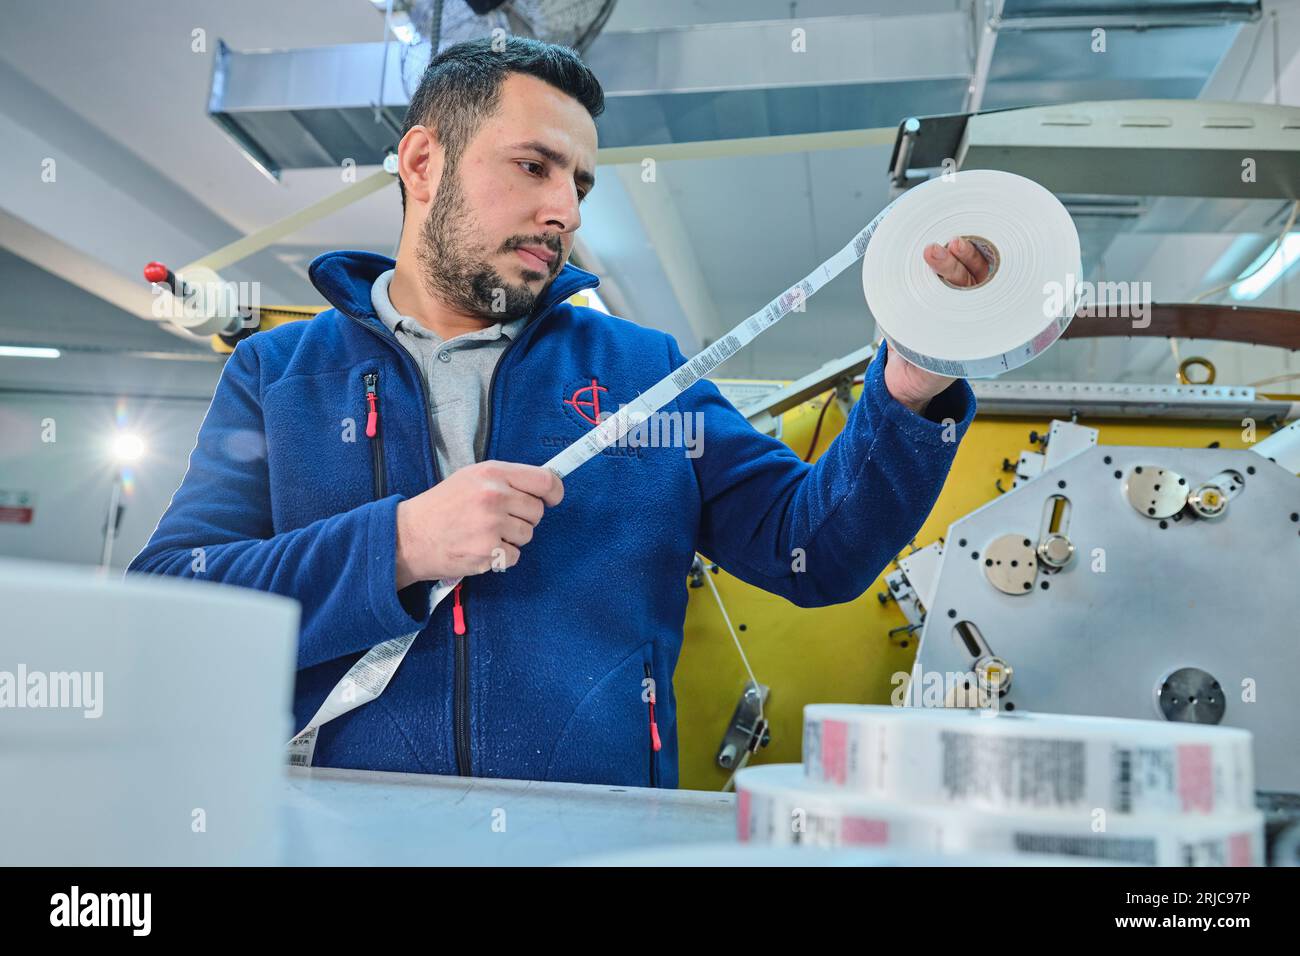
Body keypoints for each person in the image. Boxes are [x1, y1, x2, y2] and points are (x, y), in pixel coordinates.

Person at [129, 37, 984, 788]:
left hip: (592, 836)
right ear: (423, 164)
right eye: (534, 166)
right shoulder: (279, 374)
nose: (566, 211)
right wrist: (399, 546)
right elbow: (174, 602)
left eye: (579, 182)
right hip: (338, 831)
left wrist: (911, 384)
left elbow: (816, 553)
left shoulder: (641, 372)